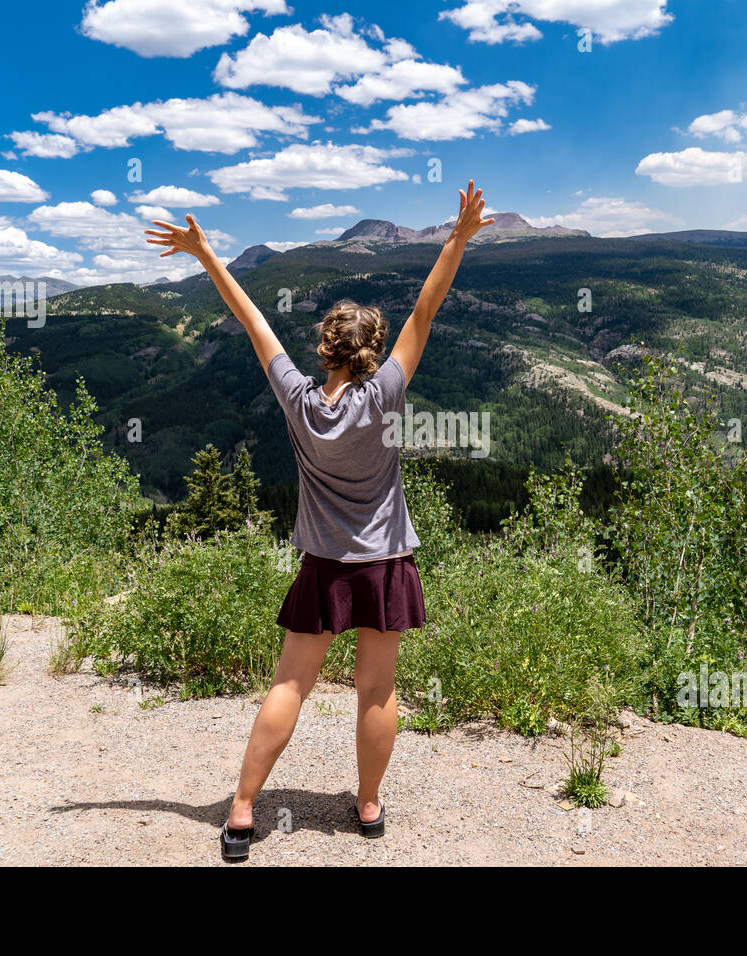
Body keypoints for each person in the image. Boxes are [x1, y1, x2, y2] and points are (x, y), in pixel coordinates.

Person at [144, 181, 494, 861]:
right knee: (377, 688)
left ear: (326, 348)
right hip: (386, 562)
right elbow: (428, 307)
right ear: (372, 350)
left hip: (322, 566)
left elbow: (251, 320)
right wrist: (457, 238)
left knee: (289, 684)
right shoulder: (386, 392)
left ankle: (241, 813)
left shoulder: (298, 399)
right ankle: (367, 806)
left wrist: (205, 253)